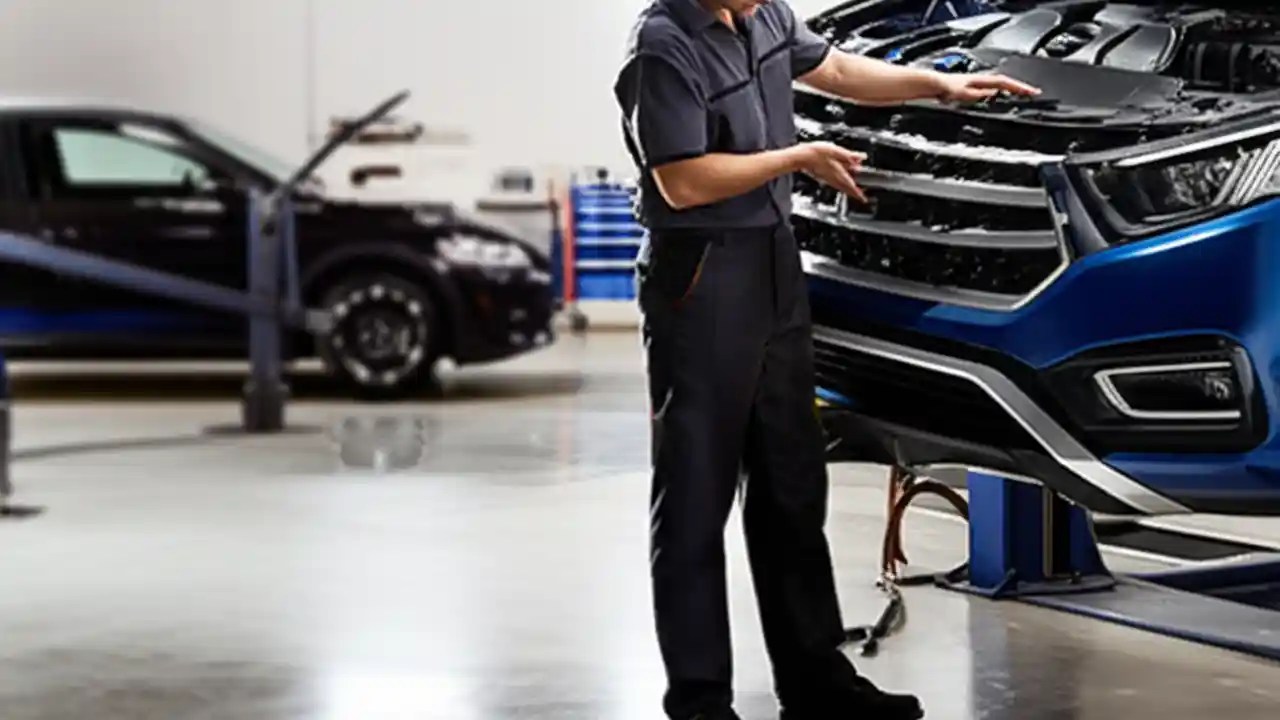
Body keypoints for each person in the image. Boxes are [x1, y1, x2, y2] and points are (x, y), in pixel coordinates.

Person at [613, 1, 1040, 718]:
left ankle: (815, 686)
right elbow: (681, 182)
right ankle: (699, 701)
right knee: (695, 498)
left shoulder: (765, 16)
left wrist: (938, 85)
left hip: (775, 268)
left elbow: (836, 70)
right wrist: (799, 158)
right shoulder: (662, 46)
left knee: (791, 486)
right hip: (700, 274)